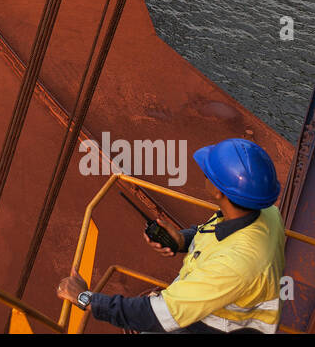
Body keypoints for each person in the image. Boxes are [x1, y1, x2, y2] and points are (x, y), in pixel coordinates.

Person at [56, 137, 286, 334]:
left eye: (208, 171)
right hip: (225, 305)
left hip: (220, 327)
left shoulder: (235, 264)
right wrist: (182, 239)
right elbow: (217, 236)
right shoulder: (266, 213)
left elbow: (154, 315)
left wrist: (85, 298)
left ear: (218, 191)